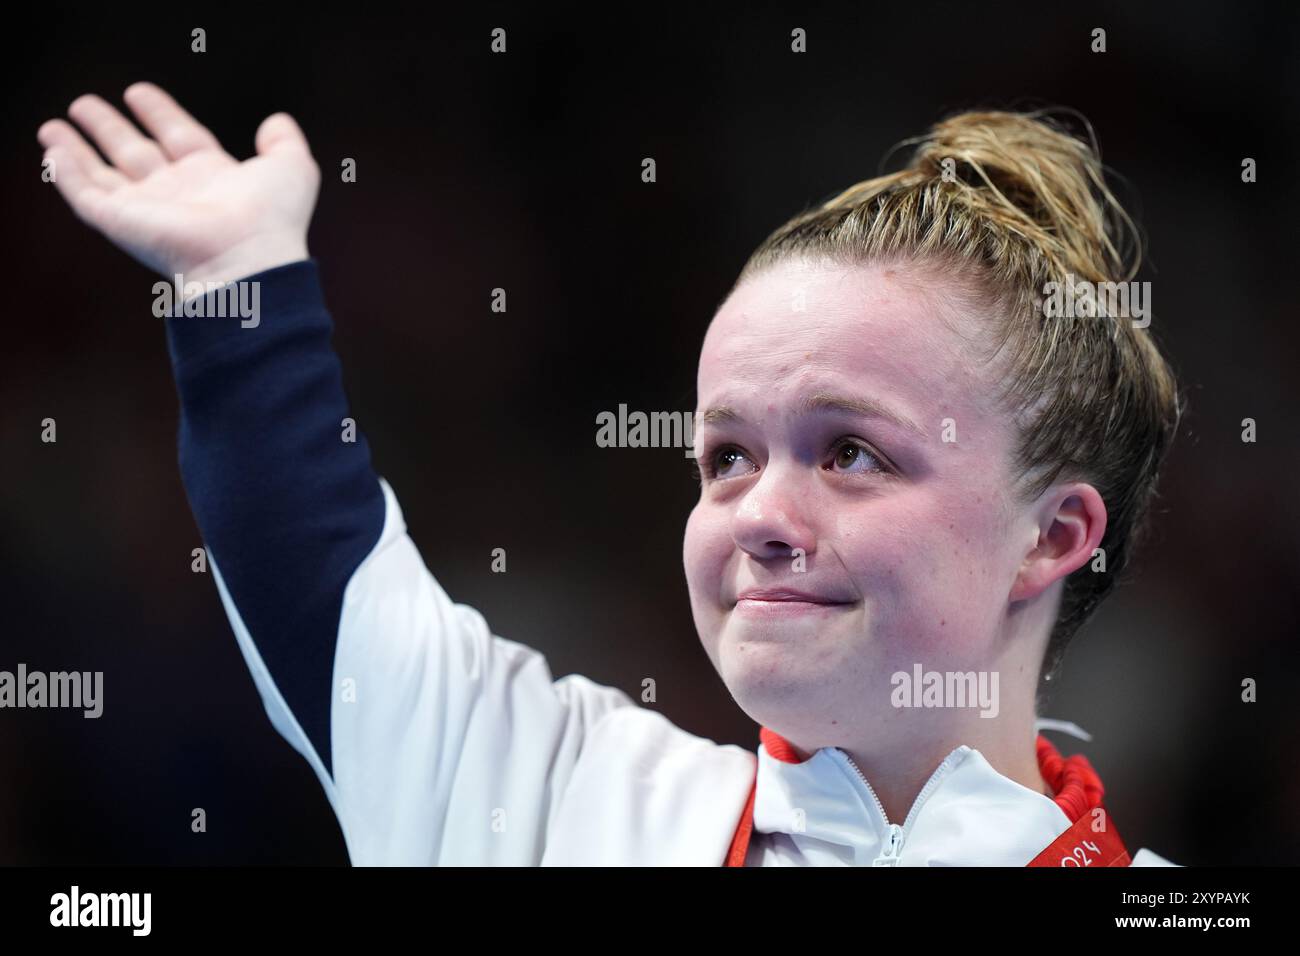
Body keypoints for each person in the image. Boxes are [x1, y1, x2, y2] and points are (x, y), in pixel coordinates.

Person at [38, 83, 1182, 866]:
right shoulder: (555, 791)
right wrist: (241, 284)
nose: (762, 517)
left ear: (1051, 533)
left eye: (850, 453)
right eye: (727, 456)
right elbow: (316, 577)